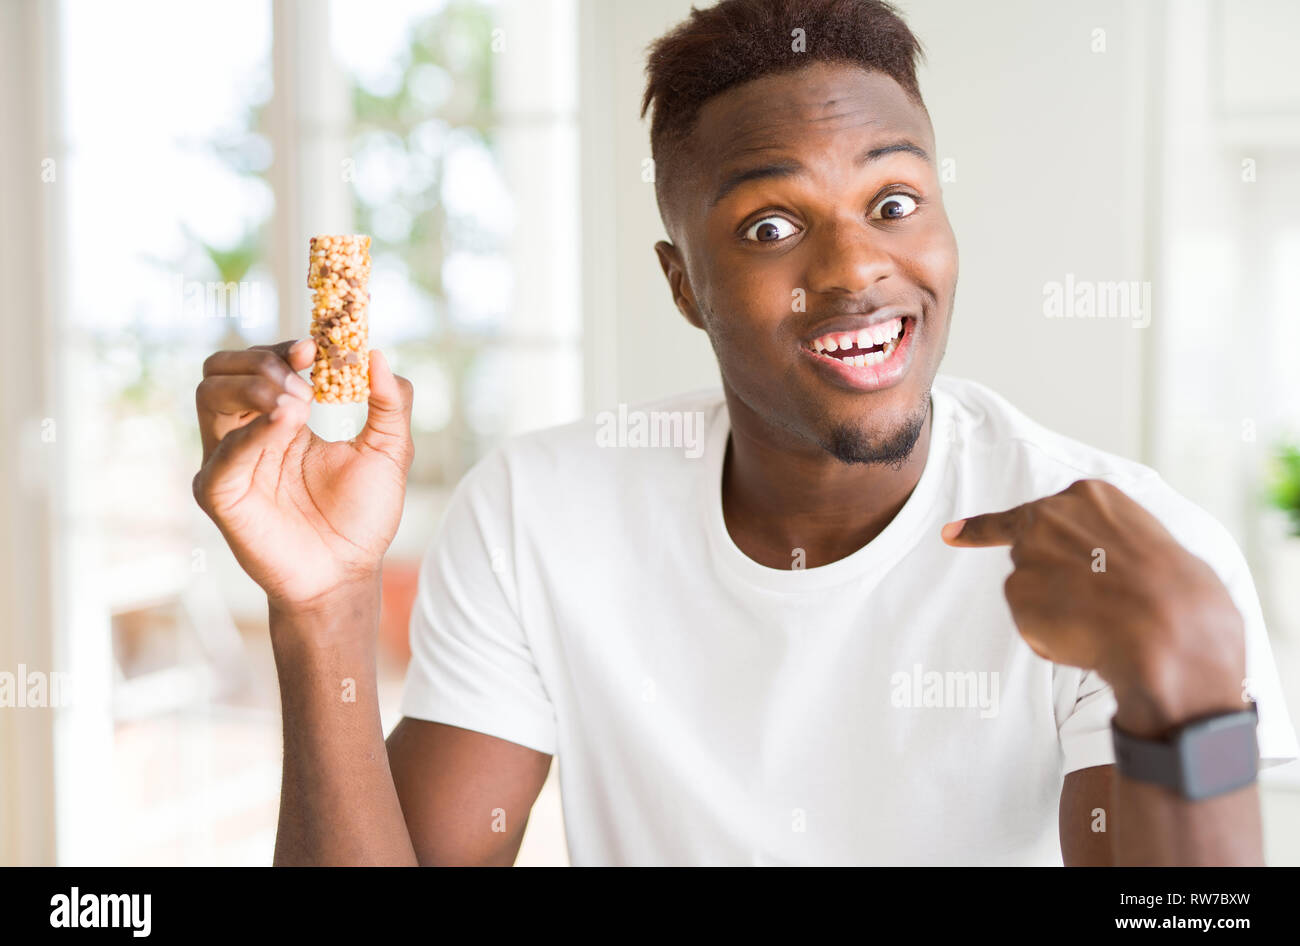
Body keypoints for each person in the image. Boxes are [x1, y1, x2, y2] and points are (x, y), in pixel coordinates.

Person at [192, 0, 1297, 865]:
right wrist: (323, 608)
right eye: (770, 226)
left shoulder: (1129, 554)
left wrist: (1187, 701)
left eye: (896, 201)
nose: (856, 267)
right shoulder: (540, 512)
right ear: (684, 284)